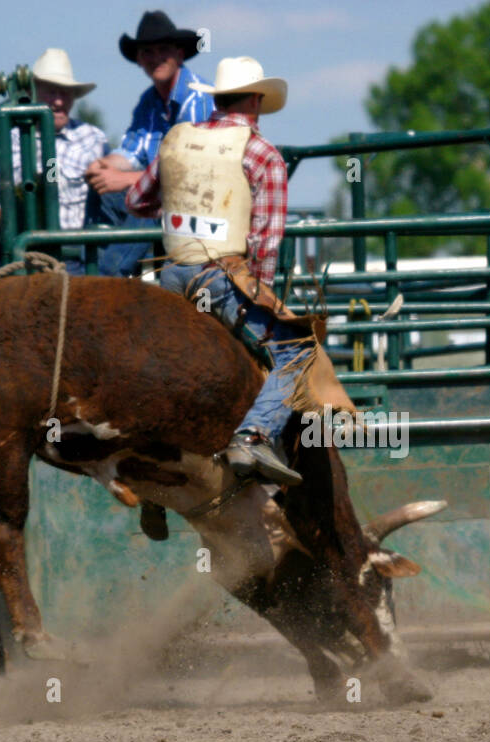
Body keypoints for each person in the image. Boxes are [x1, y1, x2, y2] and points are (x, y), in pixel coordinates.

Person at [125, 56, 317, 540]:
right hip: (222, 279)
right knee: (297, 350)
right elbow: (266, 242)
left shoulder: (178, 140)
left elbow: (135, 200)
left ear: (217, 98)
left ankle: (152, 487)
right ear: (257, 100)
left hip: (167, 280)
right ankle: (252, 438)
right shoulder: (262, 154)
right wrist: (264, 297)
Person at [84, 10, 212, 276]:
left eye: (162, 50)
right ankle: (90, 266)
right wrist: (103, 165)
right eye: (147, 52)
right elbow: (131, 150)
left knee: (148, 201)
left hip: (200, 202)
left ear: (179, 54)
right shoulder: (149, 101)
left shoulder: (197, 98)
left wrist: (127, 179)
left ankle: (107, 279)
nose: (155, 58)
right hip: (166, 199)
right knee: (103, 190)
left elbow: (190, 172)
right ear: (139, 60)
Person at [0, 48, 108, 275]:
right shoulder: (6, 138)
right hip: (21, 255)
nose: (58, 101)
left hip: (76, 255)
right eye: (51, 91)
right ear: (31, 92)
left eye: (66, 93)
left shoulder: (93, 139)